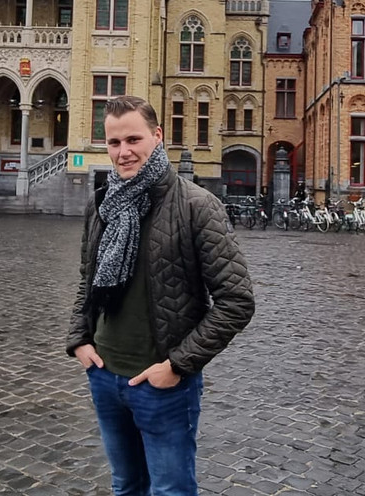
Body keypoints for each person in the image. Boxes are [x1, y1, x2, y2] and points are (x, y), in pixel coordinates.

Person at [66, 95, 255, 495]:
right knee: (126, 485)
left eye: (133, 139)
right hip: (104, 375)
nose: (124, 152)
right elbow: (89, 278)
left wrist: (177, 365)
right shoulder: (102, 202)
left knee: (170, 490)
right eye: (114, 143)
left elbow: (237, 300)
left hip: (163, 384)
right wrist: (79, 339)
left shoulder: (197, 206)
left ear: (157, 136)